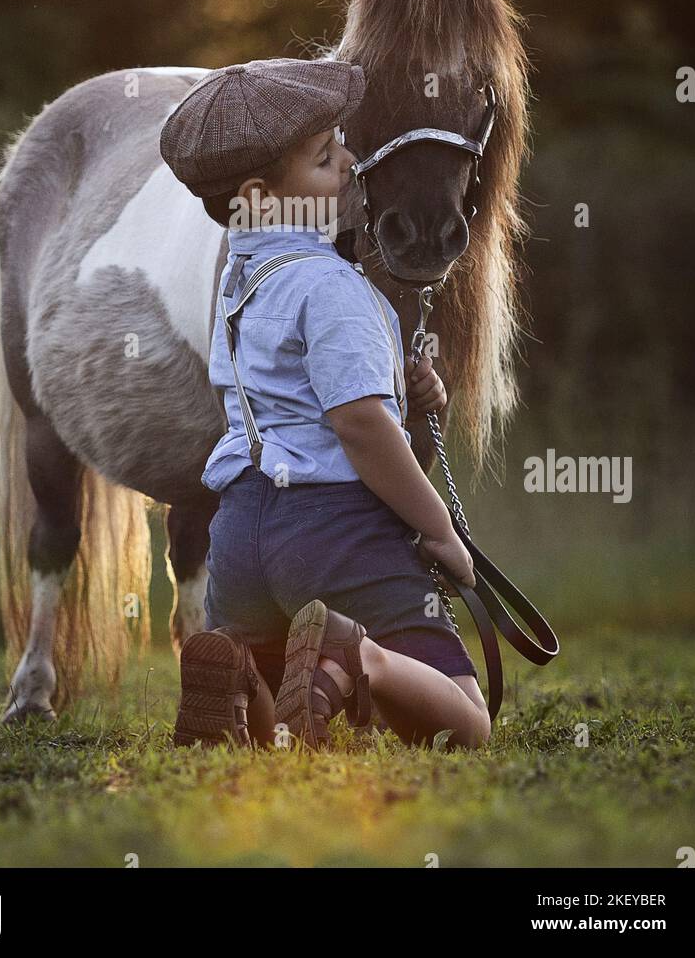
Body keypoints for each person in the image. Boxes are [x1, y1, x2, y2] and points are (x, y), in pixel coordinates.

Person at [159, 57, 490, 752]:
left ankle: (240, 683)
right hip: (331, 533)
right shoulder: (333, 286)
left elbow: (293, 392)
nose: (349, 162)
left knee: (282, 700)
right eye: (323, 157)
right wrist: (440, 533)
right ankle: (354, 653)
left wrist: (400, 382)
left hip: (241, 532)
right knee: (466, 719)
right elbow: (359, 426)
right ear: (260, 194)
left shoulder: (240, 282)